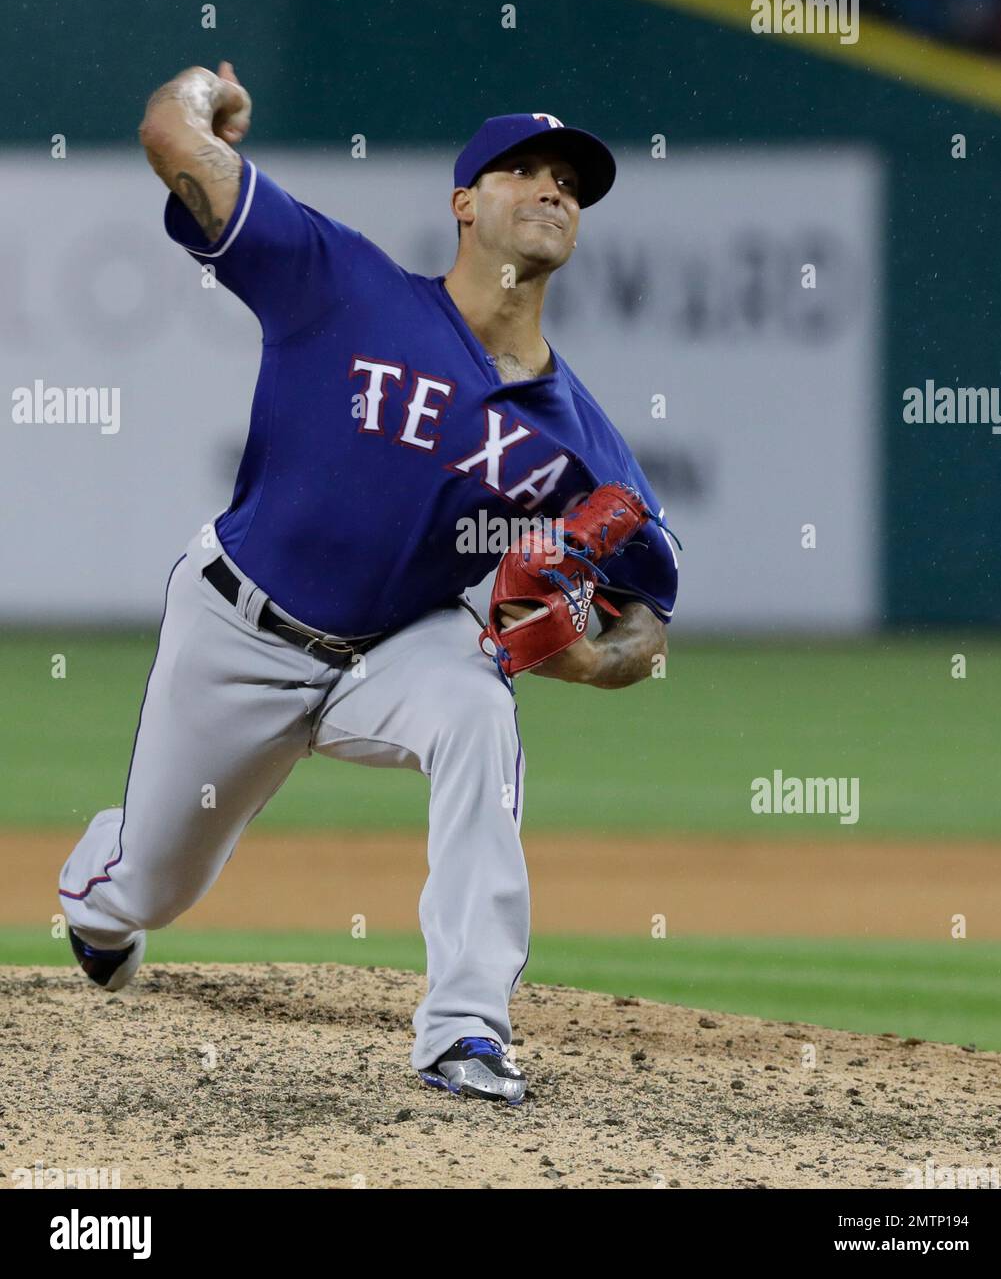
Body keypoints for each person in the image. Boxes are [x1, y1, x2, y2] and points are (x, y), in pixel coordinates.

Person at [57, 63, 680, 1105]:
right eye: (519, 169)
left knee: (479, 709)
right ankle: (100, 896)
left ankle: (465, 1028)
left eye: (569, 182)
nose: (551, 190)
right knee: (152, 888)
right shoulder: (340, 284)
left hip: (402, 646)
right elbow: (170, 137)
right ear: (462, 204)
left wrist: (591, 657)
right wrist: (209, 93)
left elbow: (648, 617)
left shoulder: (583, 445)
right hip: (239, 628)